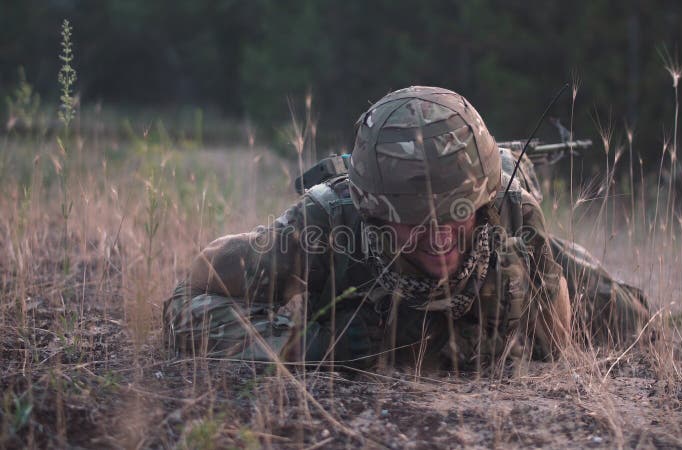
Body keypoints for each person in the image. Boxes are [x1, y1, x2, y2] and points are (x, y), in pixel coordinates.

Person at [163, 86, 650, 370]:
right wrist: (304, 347)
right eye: (414, 221)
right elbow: (188, 299)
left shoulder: (513, 221)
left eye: (454, 214)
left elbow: (555, 346)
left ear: (479, 206)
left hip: (522, 249)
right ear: (374, 213)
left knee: (637, 322)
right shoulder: (327, 231)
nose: (438, 239)